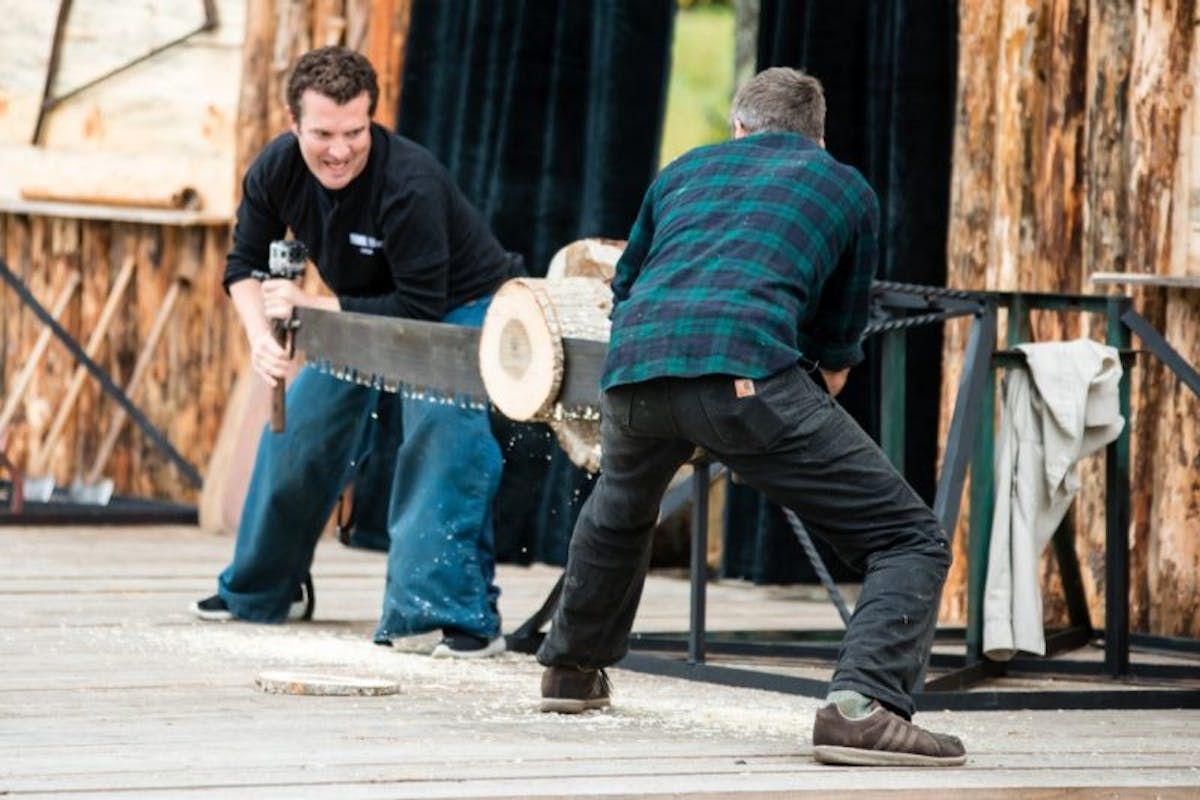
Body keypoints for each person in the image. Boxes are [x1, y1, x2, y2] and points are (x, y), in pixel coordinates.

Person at [535, 68, 966, 766]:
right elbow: (835, 349)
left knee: (620, 507)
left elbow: (626, 284)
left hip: (634, 373)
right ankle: (863, 708)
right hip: (746, 376)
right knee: (909, 537)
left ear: (738, 126)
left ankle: (570, 671)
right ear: (819, 136)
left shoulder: (684, 170)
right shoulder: (846, 186)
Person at [191, 46, 518, 658]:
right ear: (294, 125)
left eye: (354, 132)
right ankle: (262, 591)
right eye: (322, 134)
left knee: (441, 431)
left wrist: (311, 309)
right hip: (357, 310)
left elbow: (420, 310)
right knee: (300, 430)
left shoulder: (409, 183)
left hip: (456, 310)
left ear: (371, 119)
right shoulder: (277, 169)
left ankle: (452, 614)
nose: (339, 150)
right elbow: (243, 265)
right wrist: (262, 338)